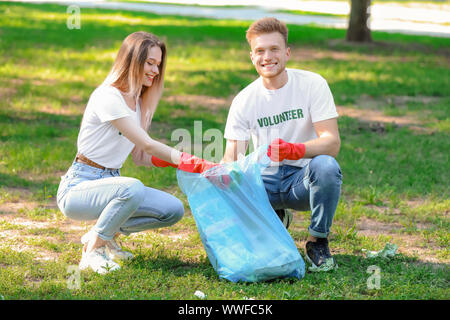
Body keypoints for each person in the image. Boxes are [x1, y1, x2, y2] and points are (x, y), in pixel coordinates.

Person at [57, 31, 219, 274]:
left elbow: (141, 156)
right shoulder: (108, 96)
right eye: (150, 63)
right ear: (132, 60)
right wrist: (192, 161)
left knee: (172, 209)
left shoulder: (139, 102)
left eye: (158, 64)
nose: (155, 70)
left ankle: (104, 232)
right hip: (79, 187)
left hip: (112, 182)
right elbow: (147, 144)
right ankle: (94, 249)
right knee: (131, 187)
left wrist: (177, 163)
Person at [221, 18, 342, 271]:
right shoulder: (244, 100)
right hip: (264, 179)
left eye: (274, 49)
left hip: (303, 180)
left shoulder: (312, 84)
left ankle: (317, 240)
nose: (268, 57)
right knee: (234, 185)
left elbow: (331, 143)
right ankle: (274, 217)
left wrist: (295, 150)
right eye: (260, 51)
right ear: (252, 56)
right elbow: (232, 158)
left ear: (287, 53)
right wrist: (215, 174)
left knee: (327, 167)